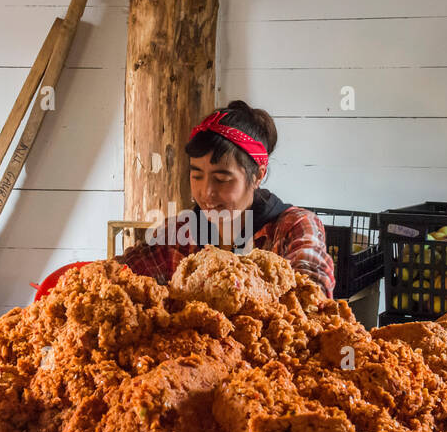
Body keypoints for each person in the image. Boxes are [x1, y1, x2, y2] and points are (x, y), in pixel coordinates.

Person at [117, 100, 335, 294]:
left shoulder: (294, 226)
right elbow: (119, 274)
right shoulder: (179, 233)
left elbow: (312, 295)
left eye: (221, 179)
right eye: (197, 175)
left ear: (258, 175)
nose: (206, 192)